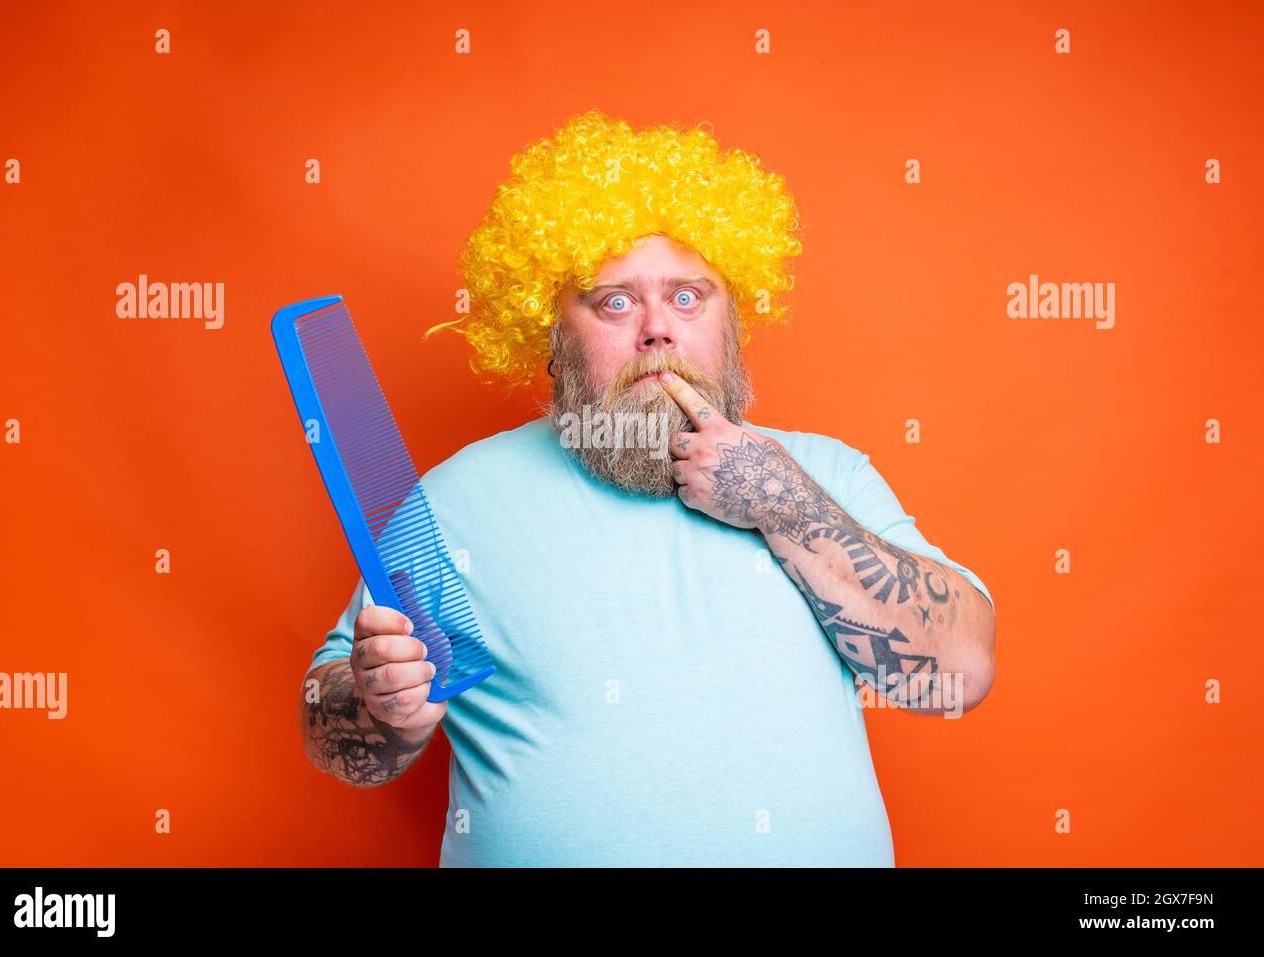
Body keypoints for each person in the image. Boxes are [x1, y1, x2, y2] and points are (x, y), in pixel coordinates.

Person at [298, 110, 996, 866]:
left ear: (732, 323)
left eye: (689, 297)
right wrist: (379, 705)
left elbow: (957, 675)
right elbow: (328, 734)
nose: (658, 329)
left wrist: (782, 504)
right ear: (551, 333)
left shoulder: (825, 476)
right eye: (616, 301)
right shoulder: (456, 501)